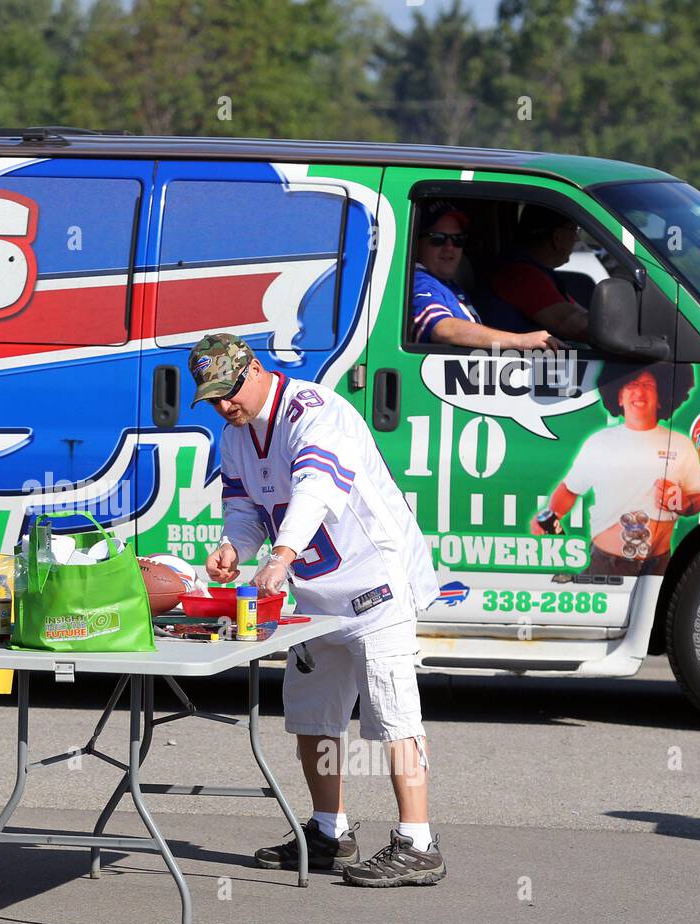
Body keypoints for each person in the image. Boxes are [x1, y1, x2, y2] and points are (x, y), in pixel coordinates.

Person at [192, 332, 446, 886]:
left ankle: (419, 841)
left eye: (229, 392)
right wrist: (235, 547)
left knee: (393, 713)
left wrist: (279, 558)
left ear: (254, 370)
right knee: (312, 714)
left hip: (374, 582)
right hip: (314, 592)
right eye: (211, 399)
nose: (223, 406)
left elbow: (318, 489)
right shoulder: (236, 434)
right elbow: (243, 507)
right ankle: (331, 831)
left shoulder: (314, 410)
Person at [531, 363, 700, 577]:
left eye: (648, 385)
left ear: (661, 398)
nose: (639, 391)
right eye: (631, 385)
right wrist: (550, 515)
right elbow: (569, 489)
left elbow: (699, 497)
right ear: (618, 397)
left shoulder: (680, 444)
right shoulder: (599, 442)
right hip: (607, 564)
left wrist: (684, 503)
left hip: (660, 565)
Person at [411, 200, 559, 352]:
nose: (450, 247)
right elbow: (442, 329)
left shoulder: (448, 285)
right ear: (416, 242)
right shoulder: (417, 282)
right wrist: (521, 341)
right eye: (438, 239)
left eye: (458, 240)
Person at [486, 205, 590, 341]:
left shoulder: (538, 273)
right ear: (556, 237)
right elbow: (577, 326)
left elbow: (578, 313)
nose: (577, 238)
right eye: (574, 230)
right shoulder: (522, 276)